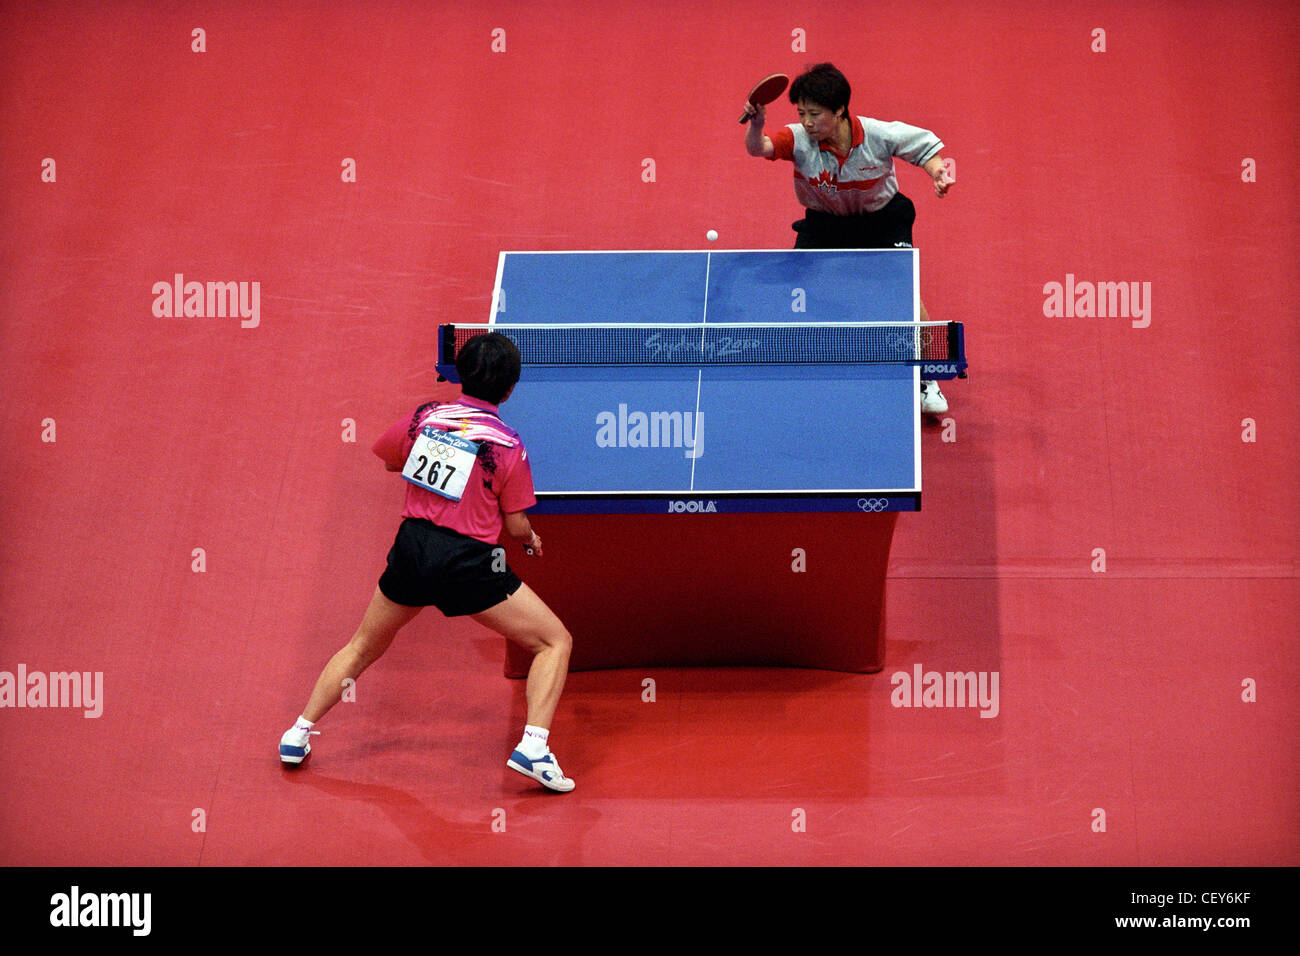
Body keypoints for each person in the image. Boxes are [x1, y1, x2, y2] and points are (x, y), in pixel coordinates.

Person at [278, 332, 576, 792]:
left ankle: (297, 733)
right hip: (471, 564)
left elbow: (389, 461)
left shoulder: (425, 417)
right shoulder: (508, 446)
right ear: (510, 389)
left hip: (412, 550)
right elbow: (515, 526)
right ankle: (533, 747)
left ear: (460, 375)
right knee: (554, 641)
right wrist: (532, 540)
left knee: (362, 645)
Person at [744, 62, 955, 414]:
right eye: (801, 113)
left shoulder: (878, 134)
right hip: (825, 224)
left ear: (840, 110)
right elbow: (759, 148)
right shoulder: (798, 139)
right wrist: (757, 123)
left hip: (882, 220)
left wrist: (938, 174)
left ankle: (923, 377)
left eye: (815, 114)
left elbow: (924, 151)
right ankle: (805, 364)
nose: (807, 122)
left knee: (905, 299)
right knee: (796, 294)